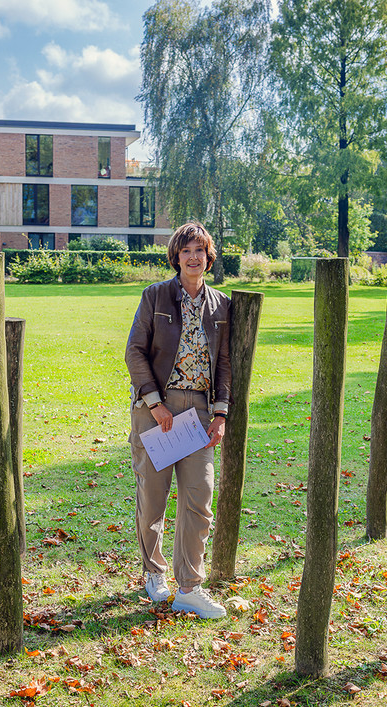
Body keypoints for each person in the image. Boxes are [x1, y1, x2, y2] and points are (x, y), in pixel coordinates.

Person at [124, 222, 231, 618]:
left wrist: (220, 413)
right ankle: (155, 574)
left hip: (200, 412)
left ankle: (190, 587)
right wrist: (155, 404)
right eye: (186, 250)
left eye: (200, 250)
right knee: (153, 496)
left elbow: (223, 363)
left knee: (199, 497)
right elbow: (135, 352)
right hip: (158, 410)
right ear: (176, 255)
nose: (193, 257)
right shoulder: (155, 296)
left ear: (208, 257)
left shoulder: (221, 305)